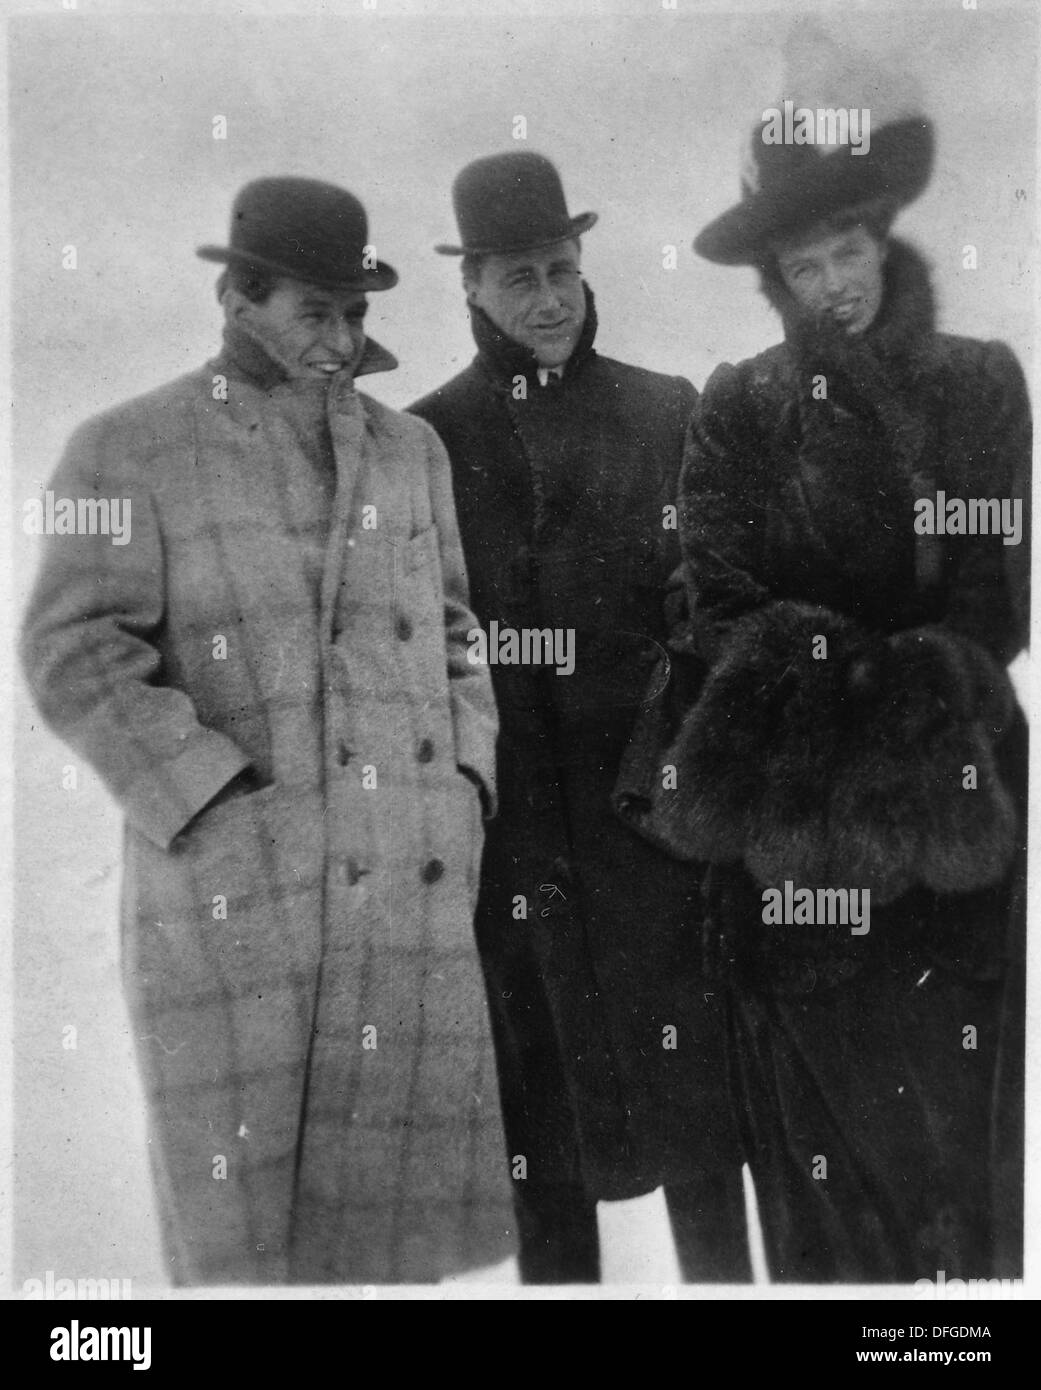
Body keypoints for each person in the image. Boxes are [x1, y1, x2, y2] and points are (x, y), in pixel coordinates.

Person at [20, 176, 514, 1285]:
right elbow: (73, 648)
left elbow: (453, 631)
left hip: (403, 899)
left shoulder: (408, 452)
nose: (343, 341)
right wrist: (209, 797)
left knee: (394, 1248)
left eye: (357, 312)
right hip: (243, 906)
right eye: (315, 313)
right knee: (246, 1241)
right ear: (240, 297)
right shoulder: (127, 448)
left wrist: (466, 778)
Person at [616, 64, 1030, 1281]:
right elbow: (718, 601)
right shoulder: (740, 409)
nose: (835, 282)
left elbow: (991, 609)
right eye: (805, 262)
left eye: (847, 246)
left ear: (882, 234)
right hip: (791, 838)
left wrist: (865, 678)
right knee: (822, 1166)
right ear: (774, 278)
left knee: (957, 1154)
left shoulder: (981, 382)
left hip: (953, 812)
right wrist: (862, 673)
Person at [410, 152, 749, 1283]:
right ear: (470, 290)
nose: (549, 298)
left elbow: (718, 607)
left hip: (655, 827)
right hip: (518, 849)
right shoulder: (428, 440)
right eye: (518, 279)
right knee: (541, 1147)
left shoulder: (666, 410)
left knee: (704, 1132)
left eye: (562, 268)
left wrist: (679, 773)